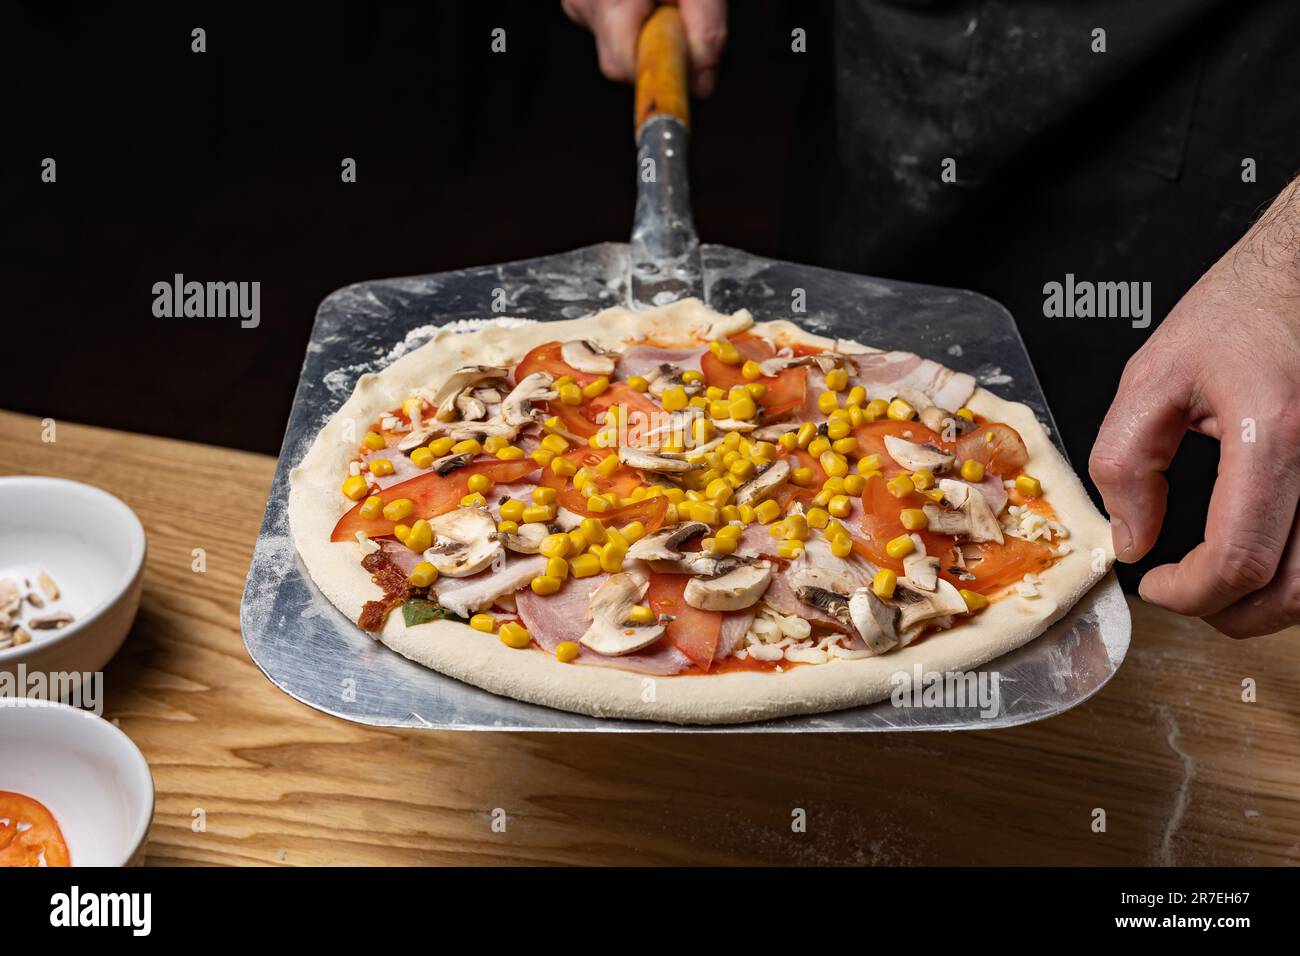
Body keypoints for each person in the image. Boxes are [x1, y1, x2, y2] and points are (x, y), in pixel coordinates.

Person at [564, 0, 1300, 639]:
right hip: (904, 82)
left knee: (1198, 539)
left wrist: (1287, 267)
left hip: (1221, 162)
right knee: (809, 384)